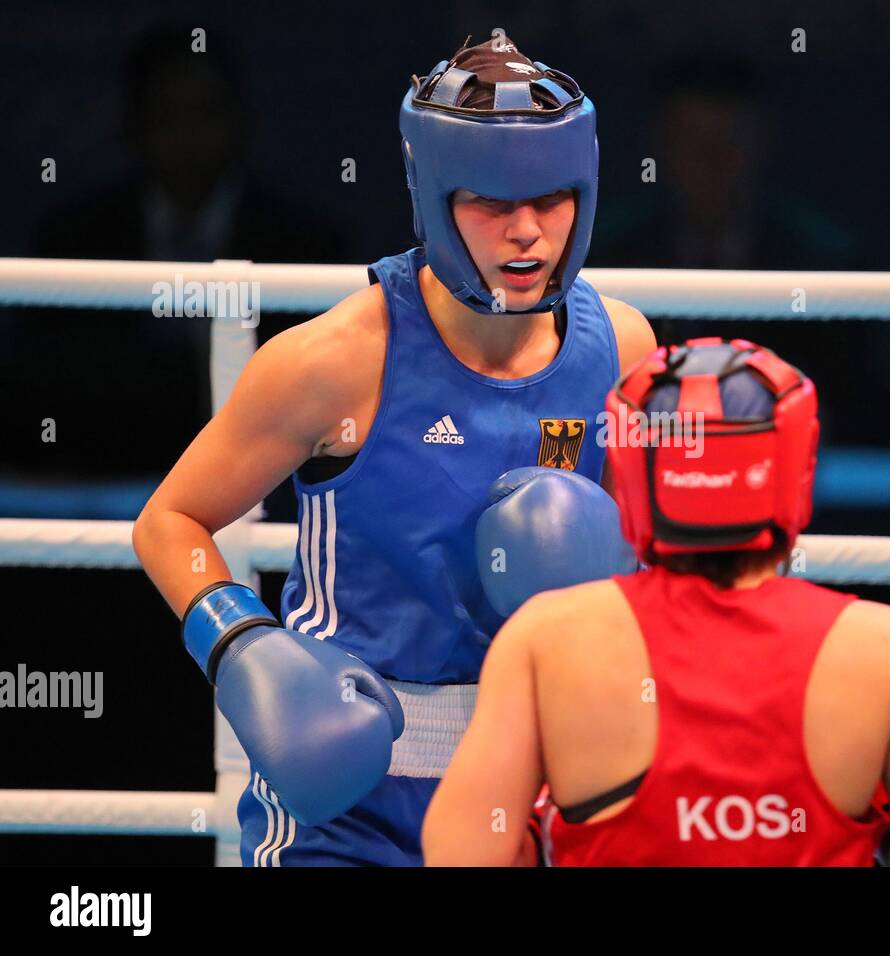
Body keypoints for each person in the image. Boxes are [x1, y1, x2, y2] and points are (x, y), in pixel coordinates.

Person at [132, 34, 655, 866]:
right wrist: (241, 643)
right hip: (348, 798)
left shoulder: (620, 349)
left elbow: (646, 573)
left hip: (532, 791)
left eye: (552, 200)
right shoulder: (333, 362)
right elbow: (171, 520)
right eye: (492, 202)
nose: (527, 234)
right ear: (435, 194)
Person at [423, 338, 890, 865]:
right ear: (795, 474)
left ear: (633, 472)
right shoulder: (885, 647)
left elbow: (462, 854)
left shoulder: (549, 638)